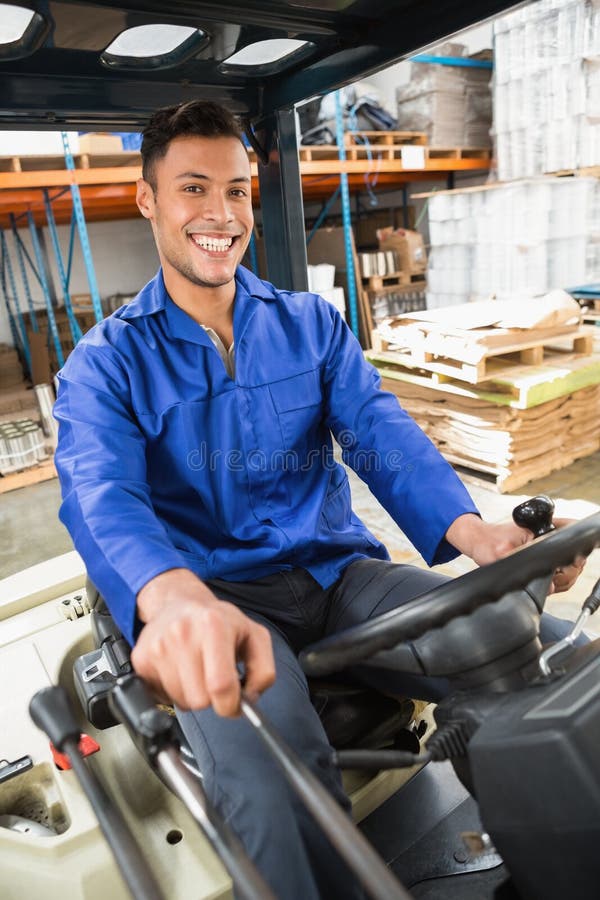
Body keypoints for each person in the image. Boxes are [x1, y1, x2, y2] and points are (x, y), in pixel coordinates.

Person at [54, 100, 585, 900]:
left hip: (338, 577)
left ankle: (558, 866)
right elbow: (102, 493)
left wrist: (473, 530)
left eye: (236, 192)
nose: (219, 214)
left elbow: (379, 431)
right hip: (220, 602)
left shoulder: (310, 324)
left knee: (533, 648)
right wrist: (172, 602)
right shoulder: (106, 366)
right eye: (193, 189)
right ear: (147, 200)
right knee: (278, 781)